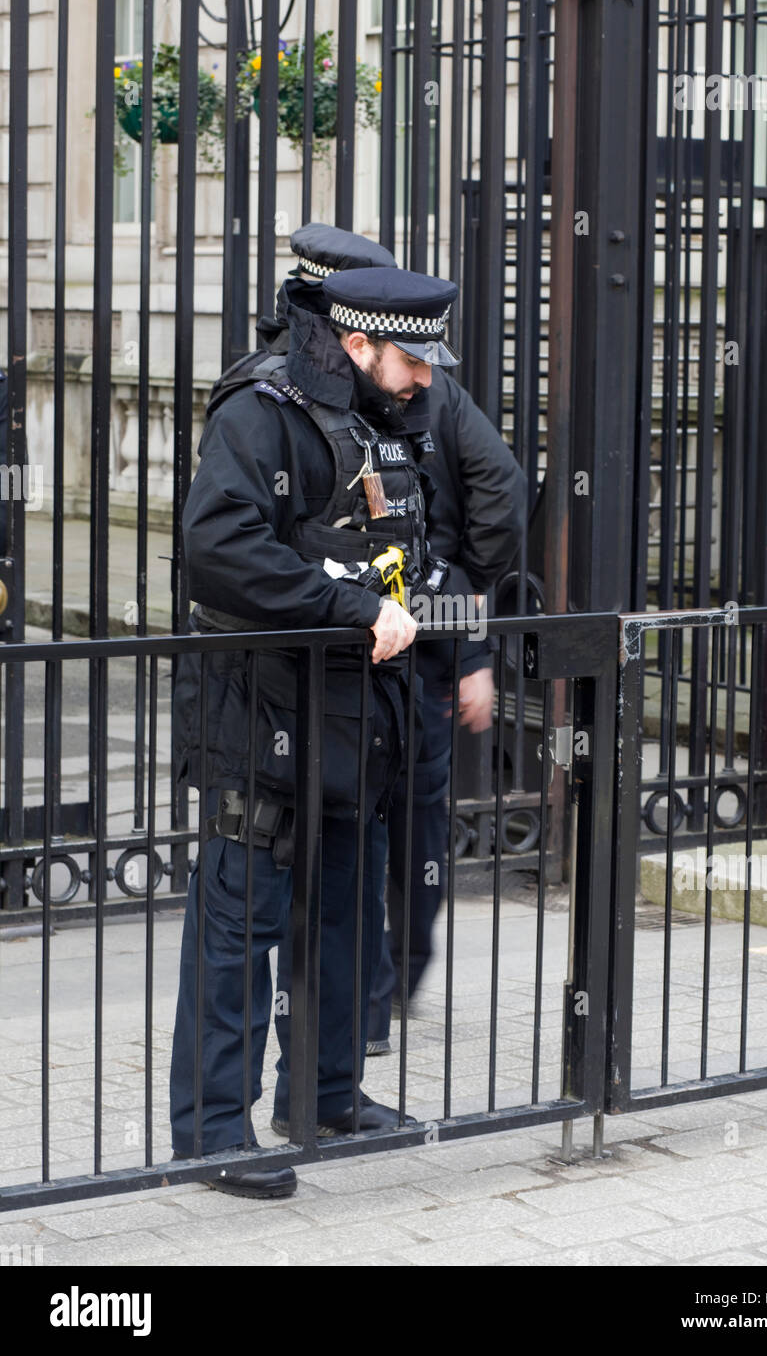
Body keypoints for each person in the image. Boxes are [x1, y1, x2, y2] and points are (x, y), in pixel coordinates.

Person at [169, 266, 462, 1199]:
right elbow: (216, 553)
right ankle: (215, 1131)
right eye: (411, 359)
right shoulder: (259, 412)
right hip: (264, 712)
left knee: (342, 919)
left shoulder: (380, 418)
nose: (424, 380)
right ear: (357, 344)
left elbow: (405, 545)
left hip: (357, 716)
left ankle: (327, 1097)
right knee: (241, 924)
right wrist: (343, 606)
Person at [261, 227, 526, 1113]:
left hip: (371, 647)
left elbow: (487, 493)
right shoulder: (290, 392)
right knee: (365, 845)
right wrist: (462, 604)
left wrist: (463, 618)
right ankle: (348, 1035)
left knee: (362, 844)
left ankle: (346, 1045)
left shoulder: (404, 382)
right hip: (367, 640)